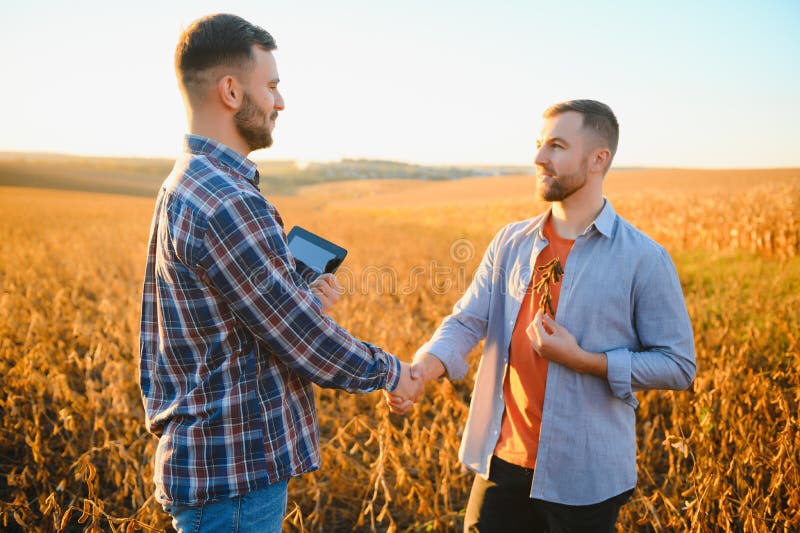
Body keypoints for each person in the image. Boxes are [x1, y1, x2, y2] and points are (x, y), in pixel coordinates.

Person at [138, 14, 421, 533]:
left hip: (218, 470)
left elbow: (241, 328)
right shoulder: (228, 200)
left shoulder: (186, 182)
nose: (279, 102)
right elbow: (303, 341)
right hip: (235, 474)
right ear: (230, 90)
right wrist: (394, 372)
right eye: (270, 86)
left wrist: (300, 300)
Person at [387, 100, 696, 532]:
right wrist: (423, 369)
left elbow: (679, 365)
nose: (538, 158)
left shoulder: (643, 259)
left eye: (555, 145)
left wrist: (584, 359)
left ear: (597, 160)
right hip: (502, 461)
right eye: (538, 144)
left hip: (585, 478)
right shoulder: (510, 242)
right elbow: (468, 320)